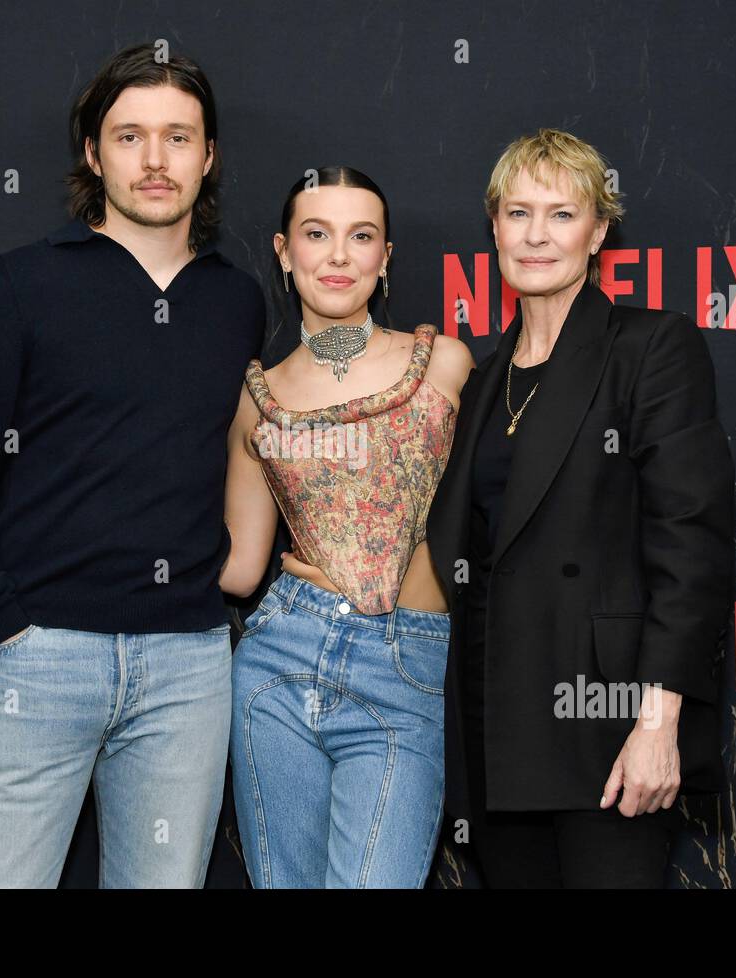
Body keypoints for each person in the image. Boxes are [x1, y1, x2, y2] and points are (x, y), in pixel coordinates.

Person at [0, 43, 264, 888]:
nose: (155, 158)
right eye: (129, 136)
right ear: (94, 155)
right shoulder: (24, 284)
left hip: (187, 667)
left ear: (208, 158)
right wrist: (1, 620)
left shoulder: (236, 301)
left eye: (178, 136)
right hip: (40, 654)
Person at [426, 128, 735, 888]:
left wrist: (658, 723)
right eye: (518, 213)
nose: (537, 236)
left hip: (607, 729)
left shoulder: (651, 347)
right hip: (496, 731)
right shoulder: (480, 380)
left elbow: (691, 546)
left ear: (598, 232)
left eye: (562, 215)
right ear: (493, 226)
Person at [219, 166, 475, 888]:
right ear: (283, 251)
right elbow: (240, 567)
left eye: (360, 236)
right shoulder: (258, 397)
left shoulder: (445, 365)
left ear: (386, 255)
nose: (337, 256)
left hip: (403, 663)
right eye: (316, 235)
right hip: (277, 665)